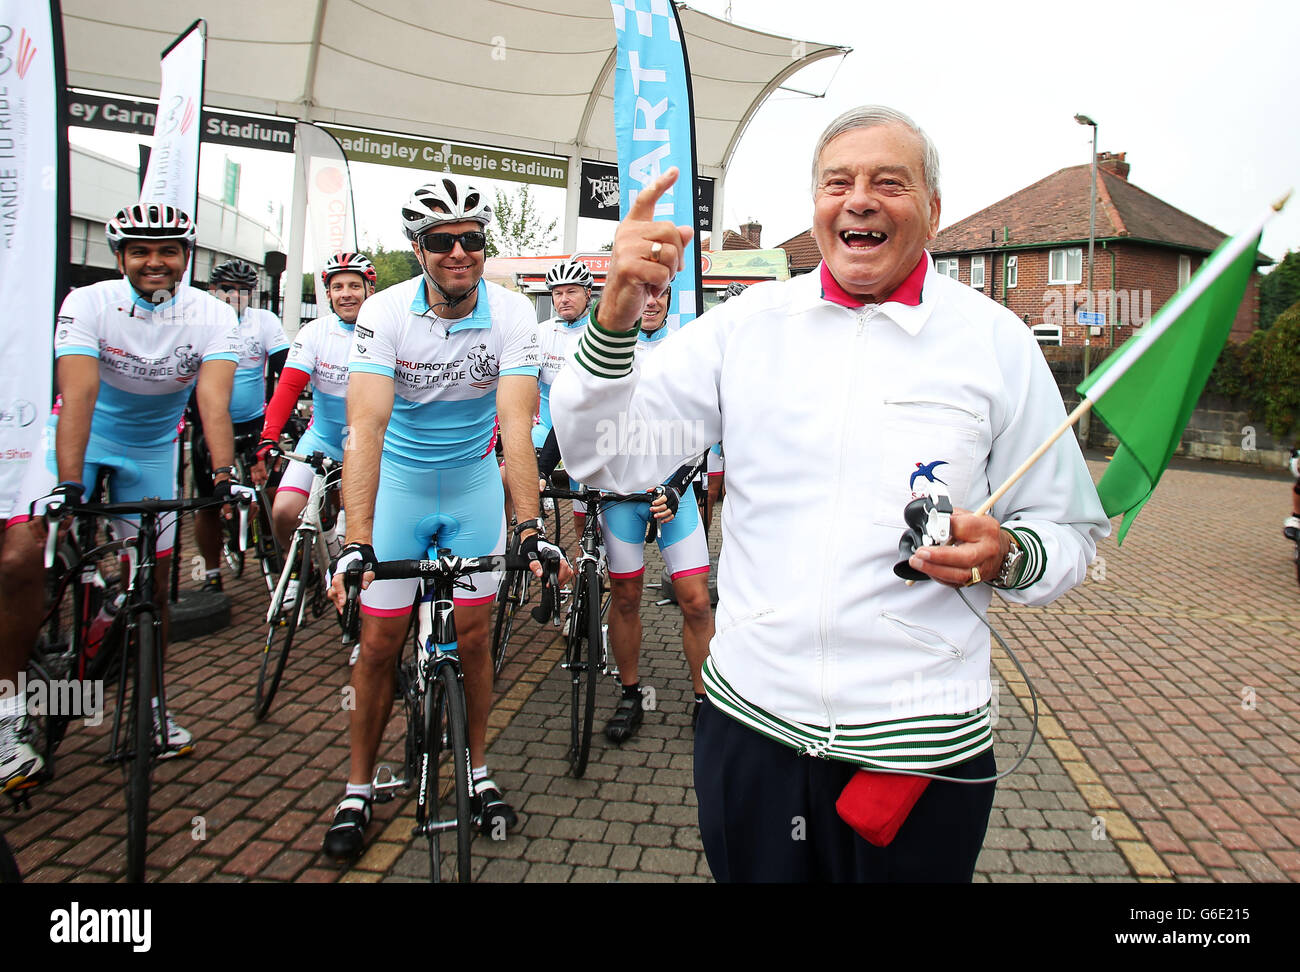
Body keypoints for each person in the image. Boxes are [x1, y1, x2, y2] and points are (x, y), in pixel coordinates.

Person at [552, 106, 1110, 882]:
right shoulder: (746, 327)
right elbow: (603, 453)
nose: (860, 200)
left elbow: (1070, 530)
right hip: (753, 732)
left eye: (890, 182)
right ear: (817, 205)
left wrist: (1010, 554)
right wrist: (613, 318)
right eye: (837, 183)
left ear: (933, 210)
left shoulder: (996, 342)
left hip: (920, 754)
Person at [322, 177, 569, 859]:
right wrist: (358, 539)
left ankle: (478, 771)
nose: (459, 252)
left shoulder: (512, 312)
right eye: (441, 240)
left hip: (471, 487)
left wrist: (529, 527)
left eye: (471, 239)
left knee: (475, 638)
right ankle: (357, 789)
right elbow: (365, 428)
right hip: (400, 487)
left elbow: (516, 425)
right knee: (379, 644)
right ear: (418, 249)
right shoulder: (384, 311)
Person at [0, 204, 242, 788]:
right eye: (140, 251)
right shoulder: (87, 303)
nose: (154, 261)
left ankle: (152, 707)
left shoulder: (212, 314)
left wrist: (224, 475)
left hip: (153, 451)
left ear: (185, 257)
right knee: (19, 557)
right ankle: (8, 712)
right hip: (78, 438)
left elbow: (212, 402)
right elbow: (79, 393)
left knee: (155, 587)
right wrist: (69, 482)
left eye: (167, 251)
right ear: (120, 257)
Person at [593, 287, 714, 741]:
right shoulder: (605, 347)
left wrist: (679, 484)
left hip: (671, 494)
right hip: (621, 495)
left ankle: (705, 700)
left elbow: (703, 429)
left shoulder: (685, 348)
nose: (651, 302)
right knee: (625, 598)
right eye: (643, 295)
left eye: (660, 294)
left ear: (668, 298)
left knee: (696, 601)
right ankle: (630, 695)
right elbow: (578, 416)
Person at [258, 251, 376, 634]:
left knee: (363, 528)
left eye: (354, 285)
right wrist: (269, 436)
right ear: (328, 294)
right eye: (337, 287)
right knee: (283, 511)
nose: (346, 293)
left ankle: (363, 607)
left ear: (369, 290)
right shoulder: (314, 332)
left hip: (370, 442)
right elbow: (289, 386)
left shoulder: (385, 329)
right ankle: (301, 569)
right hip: (322, 438)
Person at [191, 259, 289, 592]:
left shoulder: (263, 321)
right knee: (208, 504)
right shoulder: (199, 323)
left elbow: (285, 367)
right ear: (213, 291)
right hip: (209, 425)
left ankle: (275, 553)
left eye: (243, 290)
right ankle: (211, 572)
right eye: (227, 290)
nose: (235, 296)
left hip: (254, 423)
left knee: (272, 493)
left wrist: (288, 412)